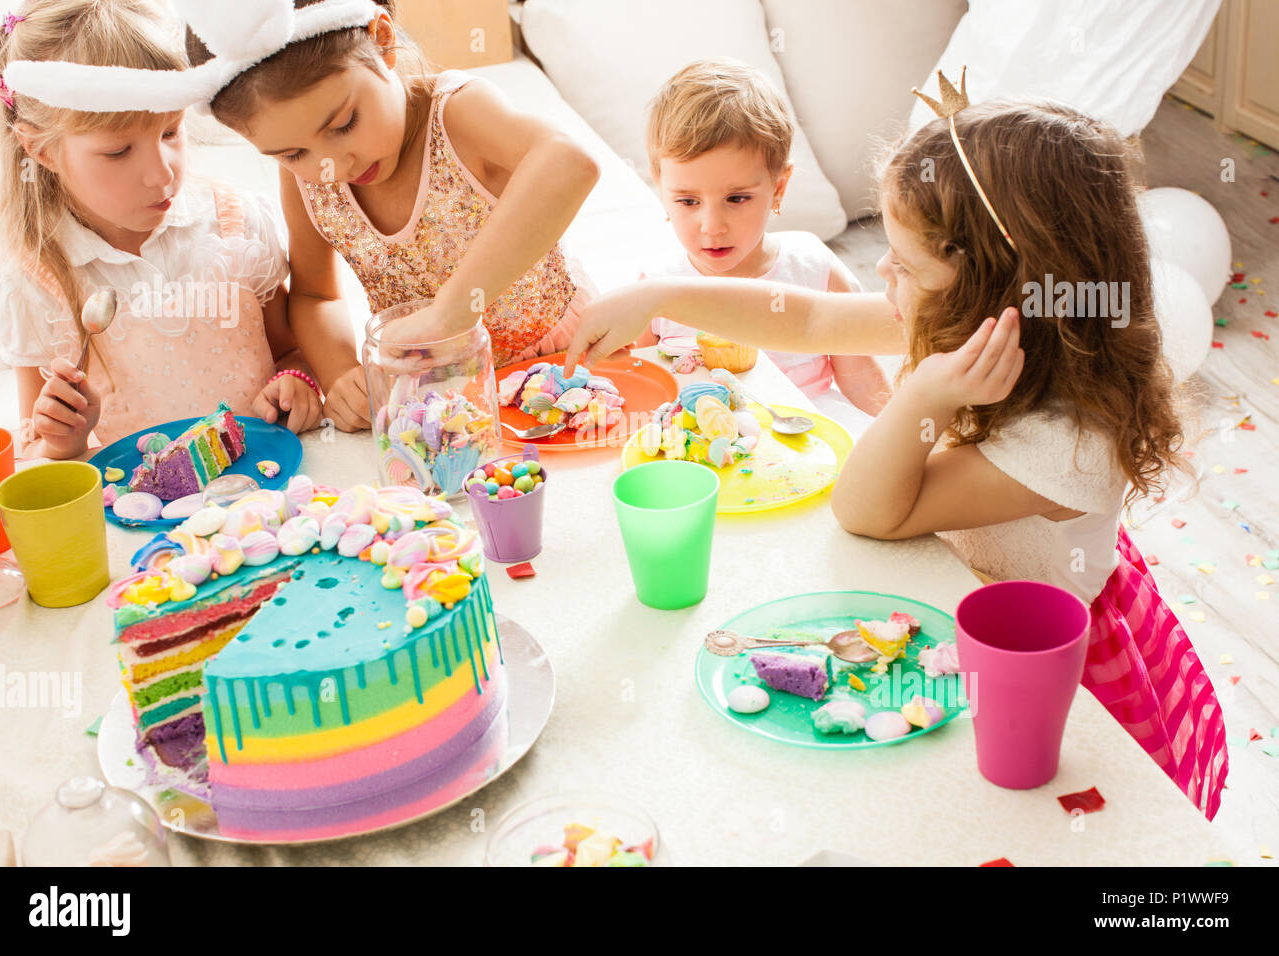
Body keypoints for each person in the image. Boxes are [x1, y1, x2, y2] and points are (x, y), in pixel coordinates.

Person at [564, 84, 1227, 819]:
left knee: (1005, 812)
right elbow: (811, 318)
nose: (883, 275)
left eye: (906, 266)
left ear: (998, 285)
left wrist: (920, 399)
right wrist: (659, 295)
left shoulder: (1068, 441)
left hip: (1024, 652)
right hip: (944, 587)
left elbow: (868, 511)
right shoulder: (970, 323)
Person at [183, 0, 600, 431]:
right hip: (434, 399)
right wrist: (343, 375)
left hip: (561, 367)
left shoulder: (457, 114)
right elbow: (315, 296)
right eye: (292, 153)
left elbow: (570, 163)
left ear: (382, 41)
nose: (334, 163)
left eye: (344, 124)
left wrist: (449, 312)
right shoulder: (307, 179)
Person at [0, 0, 322, 460]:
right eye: (119, 151)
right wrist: (66, 437)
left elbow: (293, 355)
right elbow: (37, 443)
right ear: (40, 149)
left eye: (170, 132)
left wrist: (296, 383)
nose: (161, 174)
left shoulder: (233, 226)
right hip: (144, 518)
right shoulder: (37, 286)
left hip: (264, 490)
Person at [639, 58, 891, 428]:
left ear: (779, 188)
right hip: (707, 448)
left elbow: (862, 382)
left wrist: (912, 444)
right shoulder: (655, 290)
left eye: (737, 198)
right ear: (661, 191)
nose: (712, 226)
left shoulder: (814, 270)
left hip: (810, 434)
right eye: (687, 201)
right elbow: (642, 387)